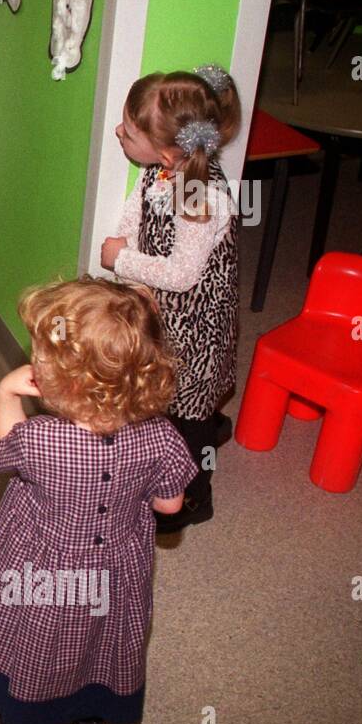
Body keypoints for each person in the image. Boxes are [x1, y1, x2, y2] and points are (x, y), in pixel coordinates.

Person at [0, 278, 196, 724]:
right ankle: (93, 714)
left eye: (40, 356)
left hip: (43, 562)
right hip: (118, 566)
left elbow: (4, 452)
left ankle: (18, 719)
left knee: (38, 634)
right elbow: (170, 504)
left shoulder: (42, 440)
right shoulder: (163, 437)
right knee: (104, 635)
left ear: (69, 383)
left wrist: (6, 394)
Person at [101, 64, 242, 531]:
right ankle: (203, 429)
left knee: (185, 410)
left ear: (163, 148)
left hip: (195, 330)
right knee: (157, 394)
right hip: (165, 316)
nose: (118, 131)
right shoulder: (160, 171)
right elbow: (133, 218)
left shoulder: (200, 193)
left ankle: (194, 497)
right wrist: (127, 257)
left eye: (128, 130)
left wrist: (122, 262)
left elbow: (182, 274)